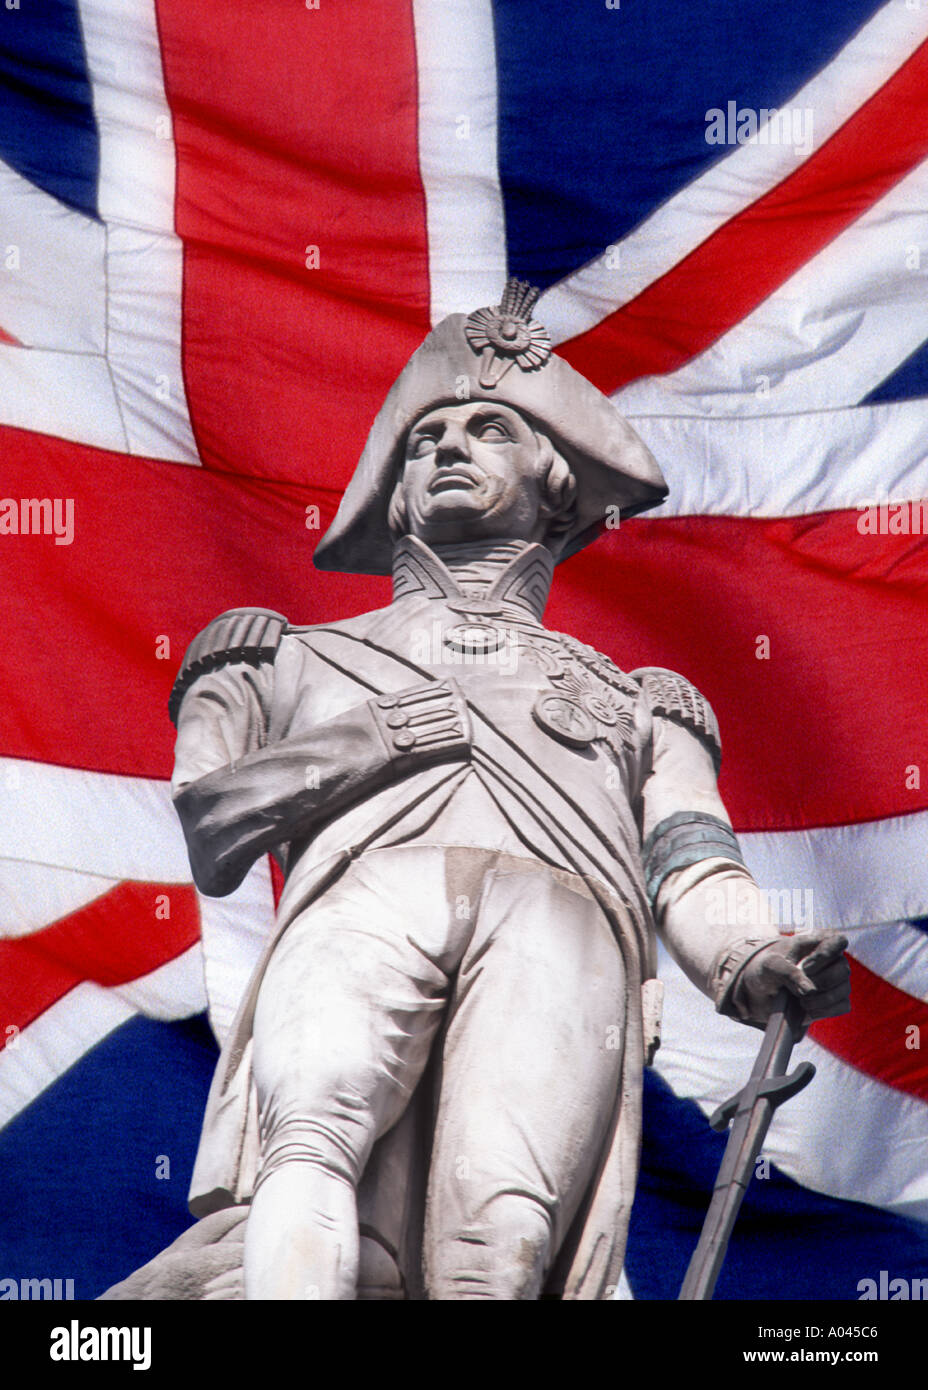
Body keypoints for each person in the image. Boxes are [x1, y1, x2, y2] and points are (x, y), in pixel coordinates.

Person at [169, 280, 850, 1300]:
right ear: (395, 493)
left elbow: (690, 858)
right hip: (359, 901)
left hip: (561, 928)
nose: (449, 447)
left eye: (488, 428)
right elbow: (212, 823)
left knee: (502, 1233)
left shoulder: (637, 702)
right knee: (311, 1130)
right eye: (427, 437)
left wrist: (755, 957)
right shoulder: (282, 656)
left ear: (556, 482)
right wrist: (379, 736)